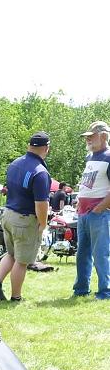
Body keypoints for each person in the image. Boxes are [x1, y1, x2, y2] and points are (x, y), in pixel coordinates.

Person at [0, 132, 51, 302]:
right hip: (24, 219)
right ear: (46, 148)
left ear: (29, 146)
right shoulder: (40, 172)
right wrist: (43, 223)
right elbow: (41, 204)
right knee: (22, 261)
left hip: (8, 214)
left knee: (11, 254)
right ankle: (16, 297)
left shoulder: (14, 164)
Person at [72, 121, 110, 300]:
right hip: (84, 213)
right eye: (86, 137)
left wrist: (100, 207)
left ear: (103, 136)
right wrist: (80, 201)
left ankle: (105, 291)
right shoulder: (90, 157)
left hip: (100, 214)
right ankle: (81, 289)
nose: (87, 140)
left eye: (91, 136)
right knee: (82, 253)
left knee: (101, 253)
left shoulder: (109, 157)